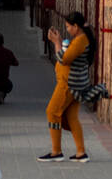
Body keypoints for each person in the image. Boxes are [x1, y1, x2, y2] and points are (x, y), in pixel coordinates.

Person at [38, 12, 106, 163]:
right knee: (71, 117)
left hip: (69, 84)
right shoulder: (81, 40)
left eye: (69, 27)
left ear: (76, 26)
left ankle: (56, 151)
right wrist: (60, 41)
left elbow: (64, 58)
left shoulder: (80, 41)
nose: (67, 29)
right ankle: (81, 152)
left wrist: (56, 42)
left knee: (52, 112)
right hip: (77, 83)